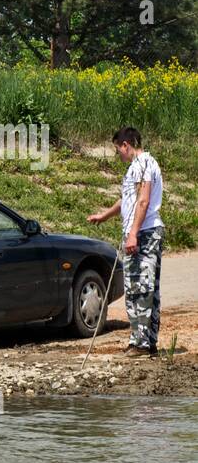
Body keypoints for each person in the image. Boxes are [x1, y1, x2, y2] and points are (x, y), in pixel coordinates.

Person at [87, 126, 164, 358]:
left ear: (126, 145)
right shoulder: (134, 168)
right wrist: (104, 215)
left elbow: (143, 200)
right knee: (135, 287)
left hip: (145, 233)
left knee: (143, 287)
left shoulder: (144, 164)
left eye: (117, 149)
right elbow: (127, 201)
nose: (117, 154)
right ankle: (141, 341)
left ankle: (143, 343)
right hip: (137, 232)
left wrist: (133, 233)